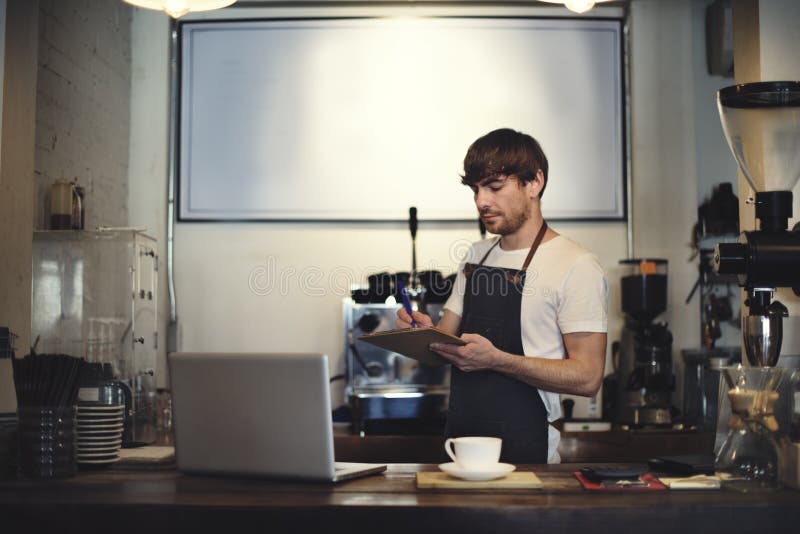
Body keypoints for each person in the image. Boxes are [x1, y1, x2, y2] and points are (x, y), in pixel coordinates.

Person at [396, 128, 608, 463]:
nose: (482, 201)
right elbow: (445, 345)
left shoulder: (576, 265)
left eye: (494, 187)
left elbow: (588, 377)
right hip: (461, 448)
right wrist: (422, 332)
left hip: (528, 450)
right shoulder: (475, 256)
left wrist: (499, 360)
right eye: (476, 189)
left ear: (534, 183)